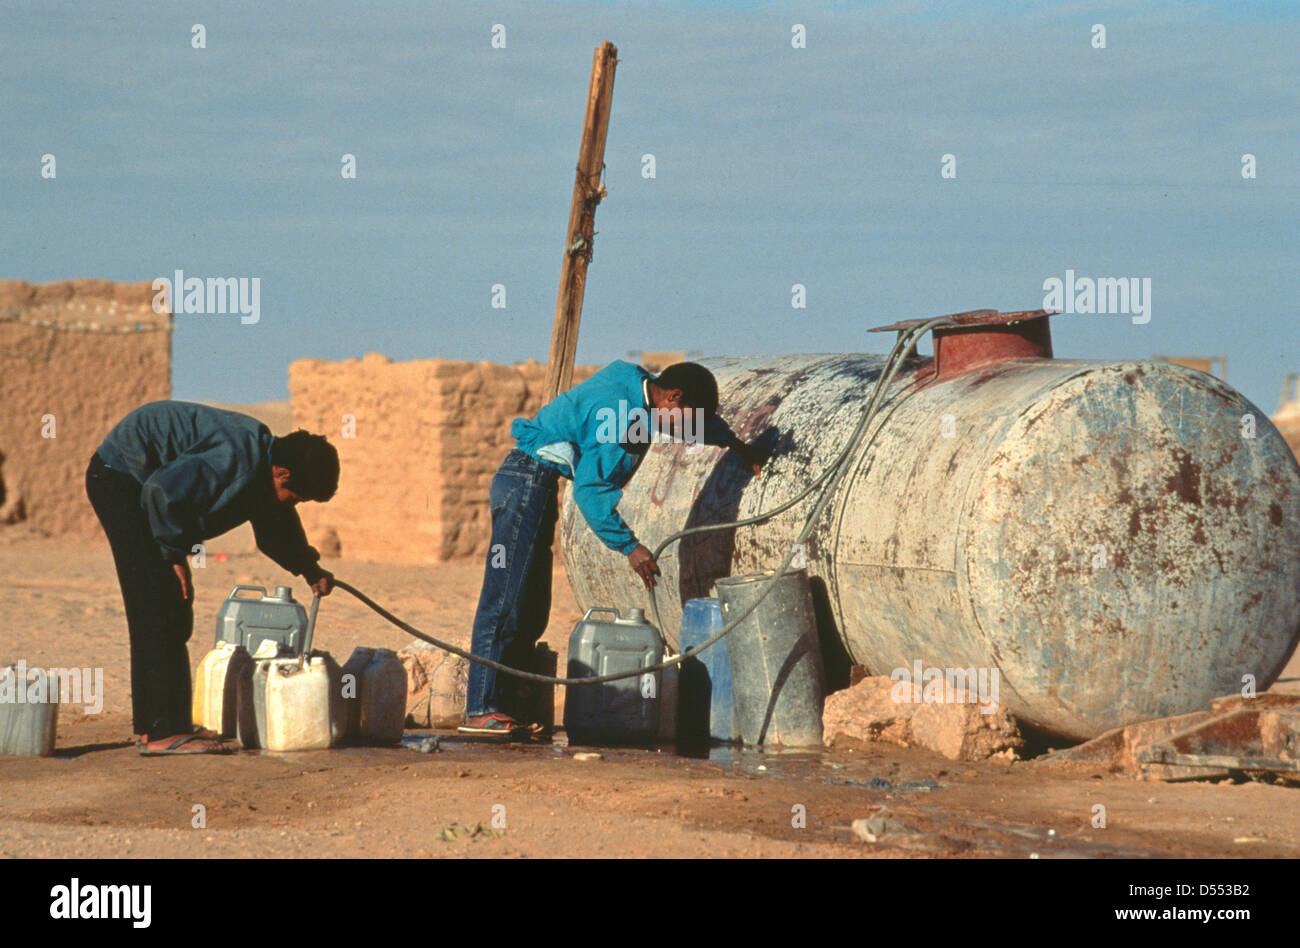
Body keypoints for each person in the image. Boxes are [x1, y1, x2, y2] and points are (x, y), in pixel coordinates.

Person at [460, 361, 769, 739]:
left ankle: (505, 706)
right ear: (673, 397)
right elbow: (590, 491)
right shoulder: (622, 425)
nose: (685, 430)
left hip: (528, 482)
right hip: (526, 483)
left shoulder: (637, 384)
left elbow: (693, 424)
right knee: (506, 599)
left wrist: (738, 446)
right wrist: (630, 547)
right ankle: (480, 709)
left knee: (530, 605)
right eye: (688, 416)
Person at [86, 400, 339, 755]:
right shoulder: (236, 458)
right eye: (295, 497)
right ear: (282, 473)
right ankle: (162, 733)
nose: (292, 505)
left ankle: (161, 726)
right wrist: (172, 553)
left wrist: (309, 569)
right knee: (158, 602)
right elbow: (160, 491)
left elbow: (275, 528)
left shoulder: (264, 467)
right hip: (121, 478)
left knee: (171, 606)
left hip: (145, 491)